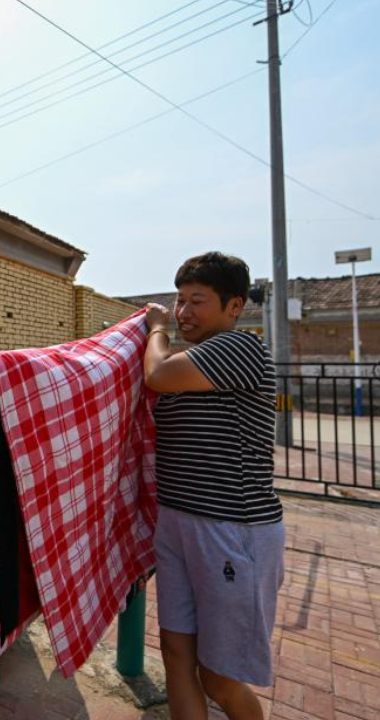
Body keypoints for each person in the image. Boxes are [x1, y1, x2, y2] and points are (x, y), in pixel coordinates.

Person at [141, 252, 285, 720]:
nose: (183, 312)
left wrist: (157, 327)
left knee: (218, 675)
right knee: (175, 653)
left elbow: (157, 375)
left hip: (231, 528)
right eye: (179, 301)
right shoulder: (193, 360)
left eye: (197, 301)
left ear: (234, 306)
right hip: (178, 521)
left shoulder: (240, 349)